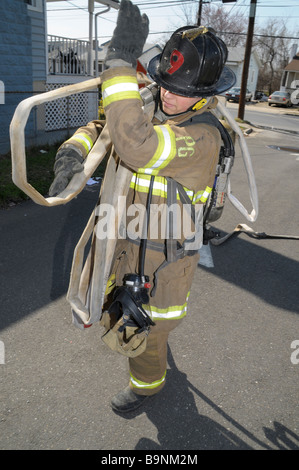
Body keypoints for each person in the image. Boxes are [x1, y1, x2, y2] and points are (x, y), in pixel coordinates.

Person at [49, 0, 235, 414]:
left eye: (182, 91)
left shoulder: (203, 139)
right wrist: (71, 152)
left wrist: (117, 63)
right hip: (124, 239)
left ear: (204, 94)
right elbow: (106, 126)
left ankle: (147, 387)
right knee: (118, 308)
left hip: (163, 263)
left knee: (147, 335)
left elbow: (135, 144)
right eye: (165, 84)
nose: (168, 95)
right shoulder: (155, 105)